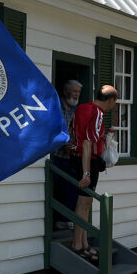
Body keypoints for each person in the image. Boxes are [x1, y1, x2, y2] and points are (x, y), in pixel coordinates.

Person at [70, 85, 119, 261]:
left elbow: (76, 135)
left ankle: (84, 243)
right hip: (87, 160)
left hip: (76, 157)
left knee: (85, 202)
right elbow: (87, 144)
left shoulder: (81, 108)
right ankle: (77, 244)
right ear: (110, 100)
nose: (114, 105)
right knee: (84, 203)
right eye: (115, 101)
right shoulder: (97, 113)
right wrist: (87, 173)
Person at [51, 79, 83, 229]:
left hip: (69, 157)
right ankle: (56, 221)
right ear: (66, 92)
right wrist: (64, 142)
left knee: (71, 188)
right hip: (54, 156)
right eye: (74, 91)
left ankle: (65, 220)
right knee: (55, 189)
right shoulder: (57, 106)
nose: (77, 95)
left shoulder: (76, 110)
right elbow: (51, 128)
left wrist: (73, 144)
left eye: (78, 92)